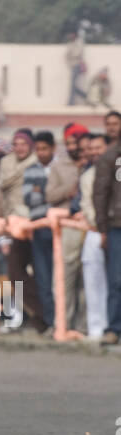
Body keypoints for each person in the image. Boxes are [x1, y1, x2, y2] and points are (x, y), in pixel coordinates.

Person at [0, 128, 42, 333]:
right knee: (14, 273)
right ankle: (38, 312)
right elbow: (2, 193)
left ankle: (43, 316)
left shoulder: (38, 165)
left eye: (24, 144)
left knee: (42, 273)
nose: (20, 148)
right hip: (12, 223)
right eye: (16, 144)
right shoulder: (6, 165)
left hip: (35, 222)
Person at [48, 124, 88, 331]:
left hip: (90, 227)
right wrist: (69, 189)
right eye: (70, 143)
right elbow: (50, 196)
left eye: (77, 142)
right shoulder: (58, 166)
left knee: (87, 280)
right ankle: (62, 324)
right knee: (64, 279)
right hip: (67, 227)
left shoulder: (94, 163)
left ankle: (83, 327)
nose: (74, 147)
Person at [23, 131, 57, 333]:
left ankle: (63, 320)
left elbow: (63, 194)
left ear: (53, 148)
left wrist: (41, 190)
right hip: (39, 228)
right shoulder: (30, 170)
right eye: (38, 149)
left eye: (45, 148)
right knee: (43, 278)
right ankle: (51, 321)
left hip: (58, 229)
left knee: (58, 277)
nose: (41, 153)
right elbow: (28, 198)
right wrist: (51, 193)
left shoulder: (61, 167)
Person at [93, 131, 121, 346]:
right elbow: (101, 193)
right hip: (117, 226)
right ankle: (114, 328)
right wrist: (103, 228)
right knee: (116, 280)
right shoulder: (111, 157)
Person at [79, 133, 108, 340]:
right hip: (94, 232)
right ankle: (96, 328)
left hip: (114, 231)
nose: (95, 152)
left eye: (99, 148)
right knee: (93, 282)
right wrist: (99, 226)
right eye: (92, 148)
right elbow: (87, 206)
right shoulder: (87, 176)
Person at [65, 32, 87, 106]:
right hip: (72, 65)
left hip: (77, 66)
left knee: (72, 85)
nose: (71, 36)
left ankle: (71, 102)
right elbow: (67, 55)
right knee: (72, 85)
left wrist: (71, 55)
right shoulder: (70, 44)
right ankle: (85, 96)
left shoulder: (79, 43)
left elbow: (77, 54)